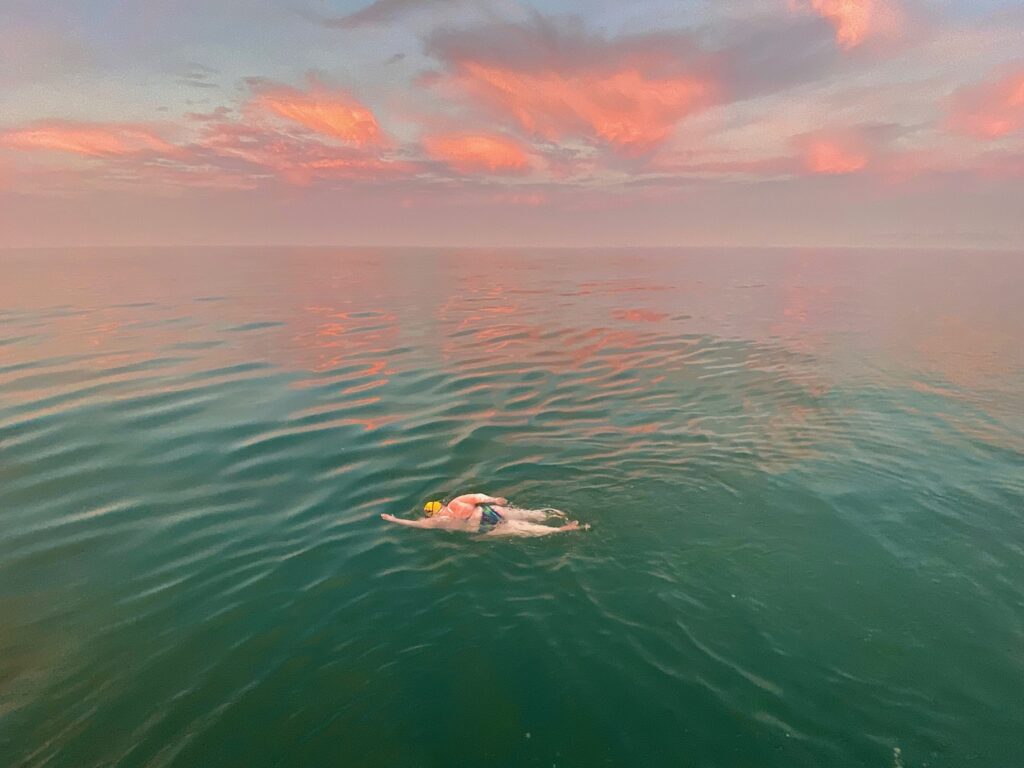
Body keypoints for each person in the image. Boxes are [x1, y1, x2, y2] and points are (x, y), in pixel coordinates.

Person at [381, 492, 587, 537]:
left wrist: (393, 519)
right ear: (440, 504)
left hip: (482, 526)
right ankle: (553, 515)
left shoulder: (435, 522)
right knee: (528, 515)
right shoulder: (456, 502)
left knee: (524, 531)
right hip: (489, 511)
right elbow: (477, 496)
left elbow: (413, 524)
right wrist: (494, 500)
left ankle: (560, 529)